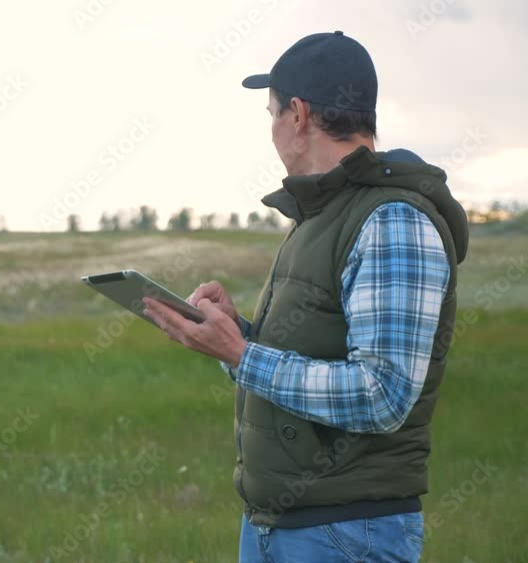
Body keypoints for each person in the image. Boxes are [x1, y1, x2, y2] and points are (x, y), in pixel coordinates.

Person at [142, 31, 468, 562]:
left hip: (346, 534)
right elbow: (314, 355)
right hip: (281, 527)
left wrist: (242, 355)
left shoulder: (391, 221)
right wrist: (234, 334)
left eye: (272, 114)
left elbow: (380, 395)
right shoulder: (322, 215)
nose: (271, 131)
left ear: (297, 114)